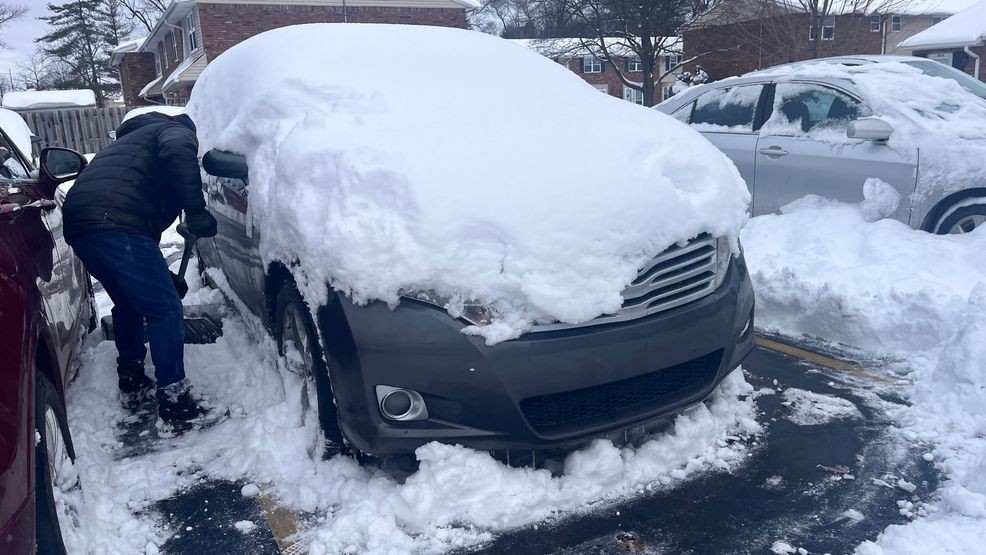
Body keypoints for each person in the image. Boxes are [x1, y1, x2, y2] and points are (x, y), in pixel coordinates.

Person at [62, 111, 218, 423]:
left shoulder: (126, 147)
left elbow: (137, 239)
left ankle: (131, 379)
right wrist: (196, 210)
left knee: (128, 302)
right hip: (115, 224)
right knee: (165, 309)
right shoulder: (174, 131)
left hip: (81, 223)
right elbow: (177, 152)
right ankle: (176, 401)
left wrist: (163, 277)